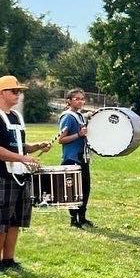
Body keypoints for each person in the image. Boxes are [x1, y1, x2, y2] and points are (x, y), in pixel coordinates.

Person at [0, 75, 53, 273]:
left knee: (15, 221)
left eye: (19, 91)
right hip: (2, 175)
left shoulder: (16, 117)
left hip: (20, 176)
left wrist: (35, 146)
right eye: (14, 91)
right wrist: (22, 158)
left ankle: (9, 259)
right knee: (0, 221)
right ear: (1, 93)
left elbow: (19, 147)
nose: (18, 95)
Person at [57, 88, 92, 228]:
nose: (80, 101)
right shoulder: (67, 117)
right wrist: (79, 135)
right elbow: (61, 139)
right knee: (74, 190)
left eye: (82, 98)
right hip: (72, 158)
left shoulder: (80, 116)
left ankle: (82, 217)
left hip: (82, 157)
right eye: (76, 98)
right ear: (69, 101)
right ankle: (74, 219)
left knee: (85, 188)